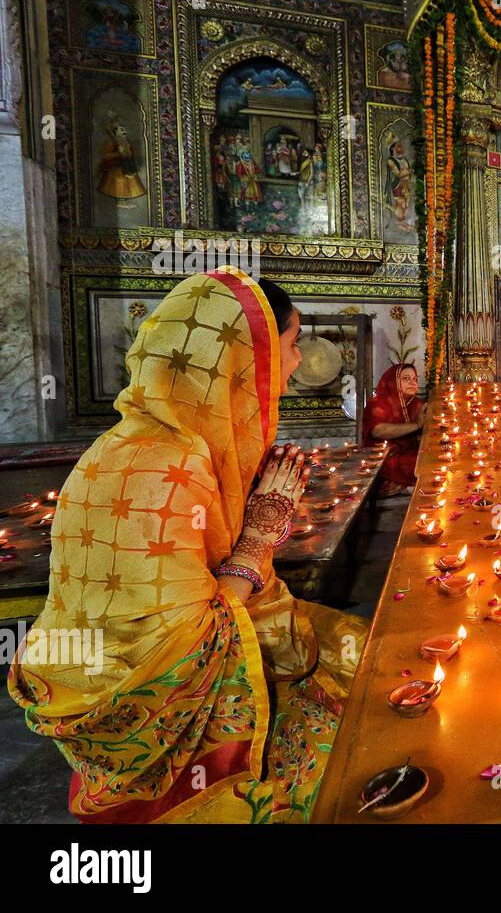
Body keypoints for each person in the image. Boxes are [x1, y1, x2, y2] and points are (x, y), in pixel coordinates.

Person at [7, 269, 367, 823]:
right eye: (290, 347)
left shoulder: (137, 441)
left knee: (365, 660)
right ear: (237, 361)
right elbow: (186, 647)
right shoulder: (170, 466)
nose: (295, 366)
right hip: (155, 726)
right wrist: (256, 541)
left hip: (110, 681)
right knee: (358, 751)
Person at [362, 363, 425, 496]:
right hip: (384, 456)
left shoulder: (418, 404)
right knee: (418, 464)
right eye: (406, 378)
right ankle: (412, 488)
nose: (412, 382)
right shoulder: (378, 403)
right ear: (393, 381)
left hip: (410, 452)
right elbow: (378, 430)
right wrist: (417, 425)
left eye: (415, 379)